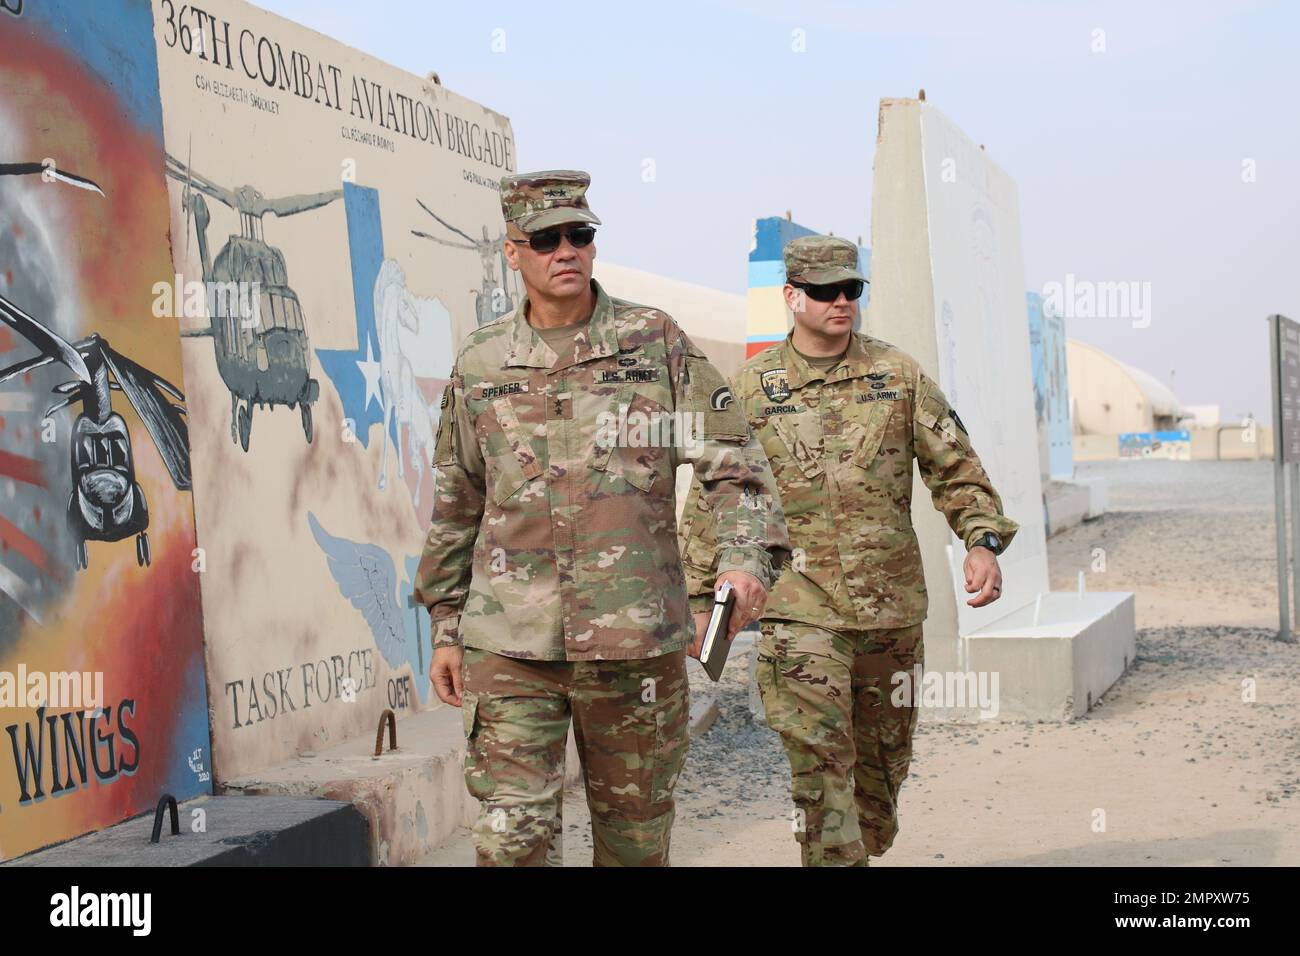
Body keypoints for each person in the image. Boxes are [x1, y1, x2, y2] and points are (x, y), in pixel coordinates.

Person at [414, 169, 790, 866]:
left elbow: (735, 463)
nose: (567, 251)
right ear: (513, 251)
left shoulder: (655, 342)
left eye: (580, 235)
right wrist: (444, 624)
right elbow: (458, 498)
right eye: (547, 238)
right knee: (510, 843)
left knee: (634, 843)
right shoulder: (482, 361)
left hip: (635, 647)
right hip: (511, 646)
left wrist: (743, 559)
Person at [679, 235, 1019, 866]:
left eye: (850, 290)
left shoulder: (899, 376)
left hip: (890, 613)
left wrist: (982, 541)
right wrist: (703, 597)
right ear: (791, 297)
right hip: (797, 613)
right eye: (824, 291)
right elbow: (712, 501)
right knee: (821, 770)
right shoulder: (748, 392)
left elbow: (956, 469)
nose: (840, 302)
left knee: (878, 786)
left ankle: (864, 841)